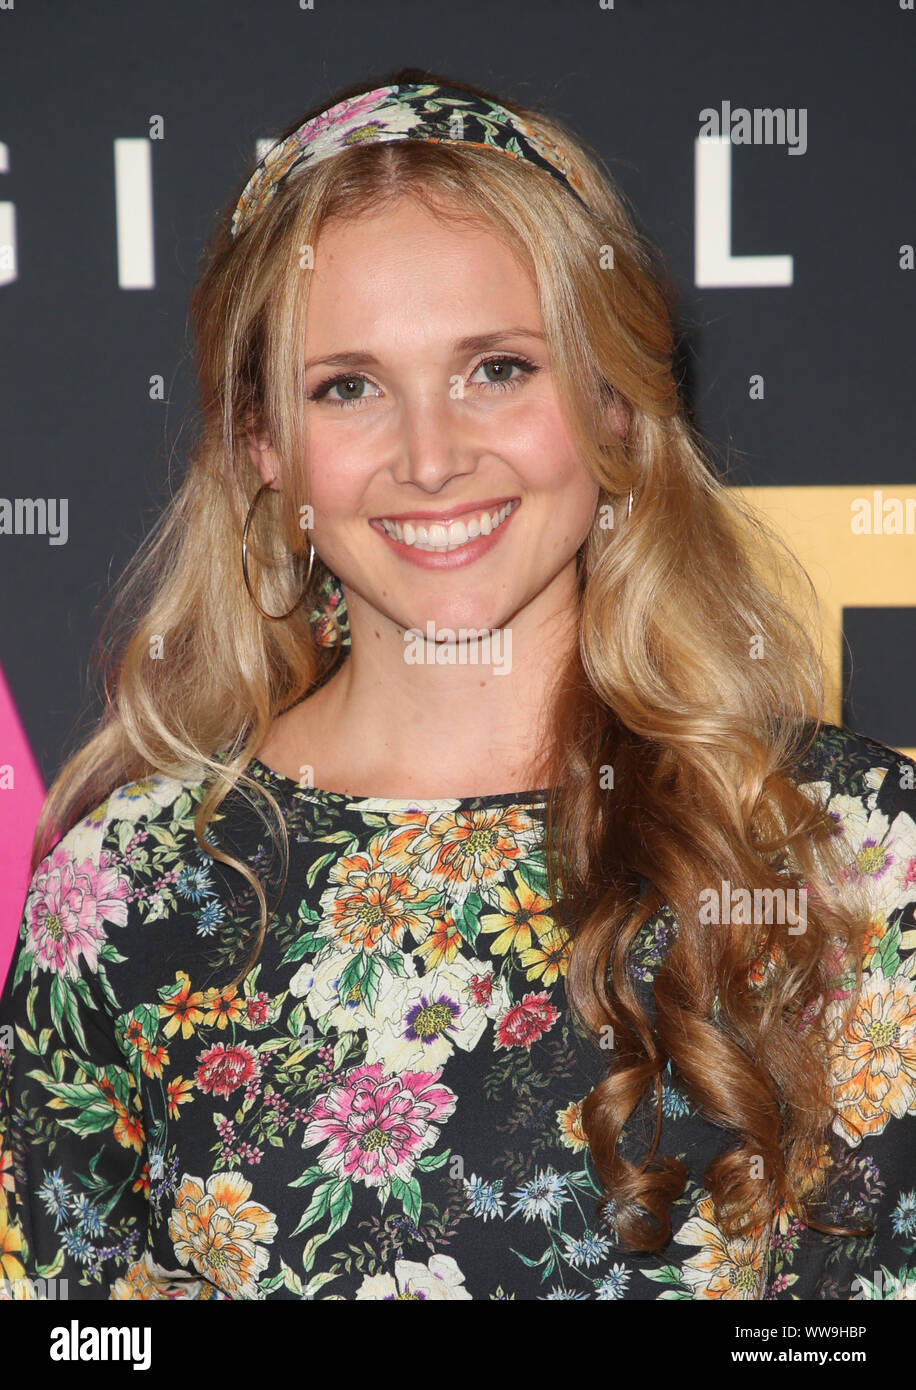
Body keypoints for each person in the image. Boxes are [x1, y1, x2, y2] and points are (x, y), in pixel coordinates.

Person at [1, 68, 914, 1303]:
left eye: (497, 368)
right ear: (264, 446)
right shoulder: (128, 893)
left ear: (614, 403)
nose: (432, 458)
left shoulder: (847, 848)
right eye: (349, 386)